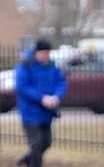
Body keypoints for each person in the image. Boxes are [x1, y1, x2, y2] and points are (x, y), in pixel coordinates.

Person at [14, 38, 66, 167]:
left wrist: (56, 96)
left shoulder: (52, 66)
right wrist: (42, 98)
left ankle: (24, 162)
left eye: (48, 53)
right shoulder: (26, 65)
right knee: (36, 144)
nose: (46, 56)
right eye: (43, 53)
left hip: (46, 112)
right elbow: (22, 86)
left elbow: (61, 82)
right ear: (36, 52)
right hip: (30, 112)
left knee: (46, 142)